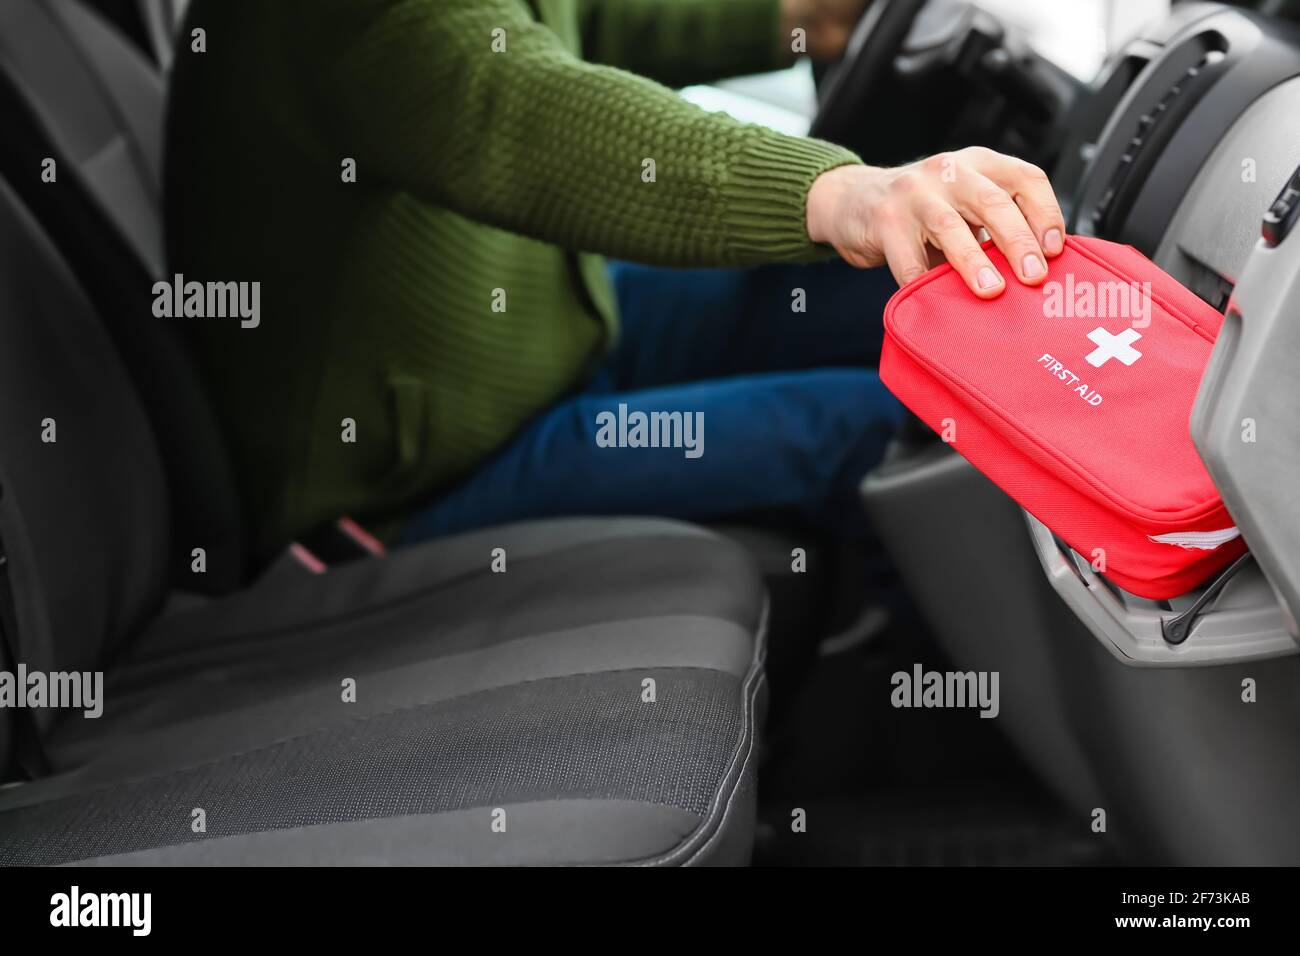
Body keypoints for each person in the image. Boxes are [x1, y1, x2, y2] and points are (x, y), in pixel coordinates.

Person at [165, 0, 1065, 562]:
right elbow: (521, 116)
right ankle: (955, 763)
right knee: (893, 427)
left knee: (895, 305)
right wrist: (836, 193)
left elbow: (581, 16)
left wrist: (793, 11)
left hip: (558, 326)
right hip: (408, 489)